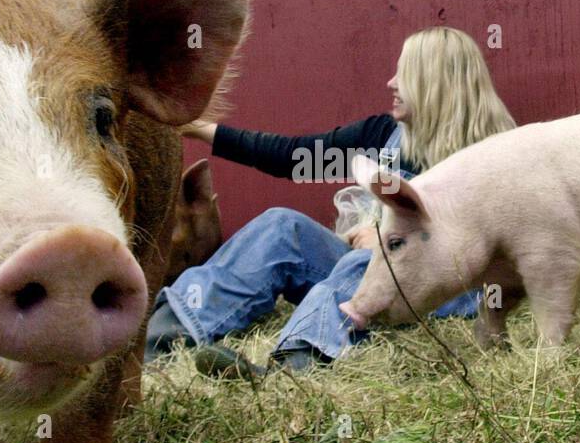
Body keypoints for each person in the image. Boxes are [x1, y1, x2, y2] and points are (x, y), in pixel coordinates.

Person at [147, 26, 517, 377]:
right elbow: (294, 158)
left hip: (445, 293)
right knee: (281, 226)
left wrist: (392, 238)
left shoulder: (497, 155)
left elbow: (504, 251)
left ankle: (295, 365)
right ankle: (162, 337)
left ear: (434, 82)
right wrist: (197, 128)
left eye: (403, 72)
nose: (391, 83)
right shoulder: (382, 135)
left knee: (368, 260)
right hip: (366, 274)